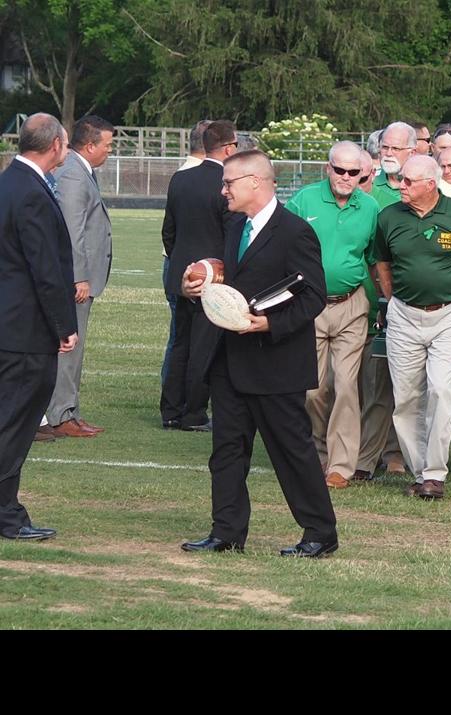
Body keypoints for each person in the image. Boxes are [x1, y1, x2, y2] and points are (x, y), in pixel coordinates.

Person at [178, 149, 336, 558]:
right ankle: (226, 532)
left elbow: (314, 295)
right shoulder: (233, 227)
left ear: (256, 183)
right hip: (229, 361)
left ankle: (320, 533)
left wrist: (269, 324)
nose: (223, 190)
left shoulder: (295, 231)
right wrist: (195, 287)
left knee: (291, 452)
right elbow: (226, 284)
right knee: (226, 451)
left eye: (229, 182)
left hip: (276, 363)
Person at [372, 155, 451, 500]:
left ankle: (435, 474)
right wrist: (396, 303)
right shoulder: (388, 217)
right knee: (406, 398)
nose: (400, 186)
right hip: (405, 315)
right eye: (400, 180)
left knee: (439, 388)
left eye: (408, 181)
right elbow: (383, 266)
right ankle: (421, 470)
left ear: (430, 184)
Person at [0, 114, 79, 541]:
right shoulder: (29, 192)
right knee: (14, 424)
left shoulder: (8, 183)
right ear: (55, 146)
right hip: (24, 331)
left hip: (10, 325)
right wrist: (64, 324)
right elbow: (44, 268)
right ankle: (6, 514)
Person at [285, 141, 379, 490]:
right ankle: (316, 453)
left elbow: (374, 261)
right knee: (312, 389)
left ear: (362, 174)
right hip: (309, 303)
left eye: (354, 172)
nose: (346, 177)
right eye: (339, 170)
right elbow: (282, 245)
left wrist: (378, 307)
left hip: (352, 305)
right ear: (328, 169)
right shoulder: (304, 200)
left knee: (345, 385)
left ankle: (341, 465)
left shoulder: (370, 208)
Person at [160, 119, 239, 432]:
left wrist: (184, 266)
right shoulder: (227, 182)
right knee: (203, 347)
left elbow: (169, 232)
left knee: (180, 343)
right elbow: (231, 234)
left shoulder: (181, 179)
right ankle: (193, 414)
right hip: (213, 278)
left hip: (182, 275)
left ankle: (170, 410)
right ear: (229, 148)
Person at [44, 114, 114, 439]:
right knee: (69, 348)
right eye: (108, 145)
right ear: (89, 145)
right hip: (76, 282)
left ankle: (69, 410)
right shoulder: (74, 175)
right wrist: (79, 276)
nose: (110, 152)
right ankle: (59, 415)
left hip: (82, 280)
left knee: (76, 348)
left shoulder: (82, 171)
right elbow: (72, 231)